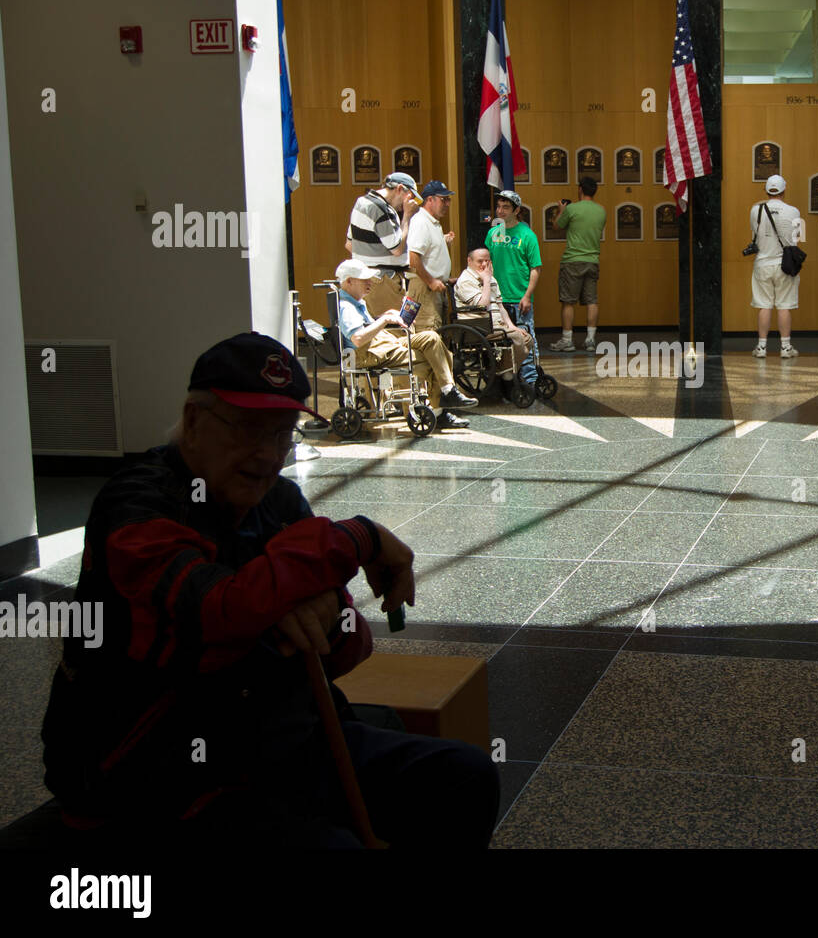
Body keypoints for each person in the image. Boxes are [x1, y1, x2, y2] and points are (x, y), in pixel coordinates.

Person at [39, 332, 499, 848]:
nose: (267, 454)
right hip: (153, 769)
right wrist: (359, 537)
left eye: (282, 434)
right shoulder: (135, 504)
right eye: (248, 430)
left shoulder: (277, 501)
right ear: (193, 421)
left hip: (266, 740)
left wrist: (312, 609)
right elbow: (217, 611)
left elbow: (346, 647)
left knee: (465, 776)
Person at [335, 259, 477, 428]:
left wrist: (384, 316)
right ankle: (440, 408)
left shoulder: (357, 301)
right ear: (349, 281)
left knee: (431, 337)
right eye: (364, 279)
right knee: (434, 358)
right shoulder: (346, 307)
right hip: (373, 352)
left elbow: (364, 327)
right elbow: (358, 338)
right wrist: (385, 320)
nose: (370, 282)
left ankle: (447, 390)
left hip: (384, 342)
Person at [345, 172, 423, 318]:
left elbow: (349, 244)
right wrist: (406, 216)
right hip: (383, 280)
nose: (406, 204)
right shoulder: (381, 208)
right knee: (395, 329)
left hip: (370, 276)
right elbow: (397, 249)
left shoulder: (361, 203)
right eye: (410, 197)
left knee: (379, 328)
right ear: (400, 189)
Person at [486, 190, 542, 389]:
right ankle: (504, 379)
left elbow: (535, 268)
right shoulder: (493, 233)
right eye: (499, 207)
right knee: (499, 340)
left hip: (519, 297)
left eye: (506, 208)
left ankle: (531, 378)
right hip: (497, 298)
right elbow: (486, 263)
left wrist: (527, 295)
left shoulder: (527, 235)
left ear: (517, 210)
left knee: (526, 338)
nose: (500, 211)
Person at [748, 174, 805, 359]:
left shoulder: (755, 210)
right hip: (785, 265)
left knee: (764, 305)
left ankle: (761, 347)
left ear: (766, 190)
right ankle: (786, 347)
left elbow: (754, 234)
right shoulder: (794, 211)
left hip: (762, 263)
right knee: (784, 306)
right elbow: (799, 238)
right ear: (784, 191)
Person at [455, 248, 533, 382]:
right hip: (477, 327)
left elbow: (500, 307)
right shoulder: (465, 281)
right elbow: (482, 305)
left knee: (526, 338)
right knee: (516, 338)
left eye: (487, 261)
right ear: (469, 261)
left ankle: (503, 370)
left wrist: (511, 326)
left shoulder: (491, 279)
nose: (484, 265)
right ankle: (504, 374)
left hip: (496, 326)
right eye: (480, 261)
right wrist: (486, 280)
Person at [550, 176, 604, 352]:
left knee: (568, 302)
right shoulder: (601, 211)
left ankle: (567, 340)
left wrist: (561, 210)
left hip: (572, 261)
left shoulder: (571, 209)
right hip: (592, 260)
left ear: (580, 189)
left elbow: (557, 226)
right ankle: (590, 340)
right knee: (592, 301)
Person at [407, 180, 456, 331]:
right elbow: (413, 257)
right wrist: (431, 281)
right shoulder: (421, 221)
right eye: (444, 199)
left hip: (436, 287)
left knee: (439, 333)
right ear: (429, 200)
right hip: (425, 288)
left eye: (448, 199)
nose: (447, 204)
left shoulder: (433, 222)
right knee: (428, 333)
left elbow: (429, 252)